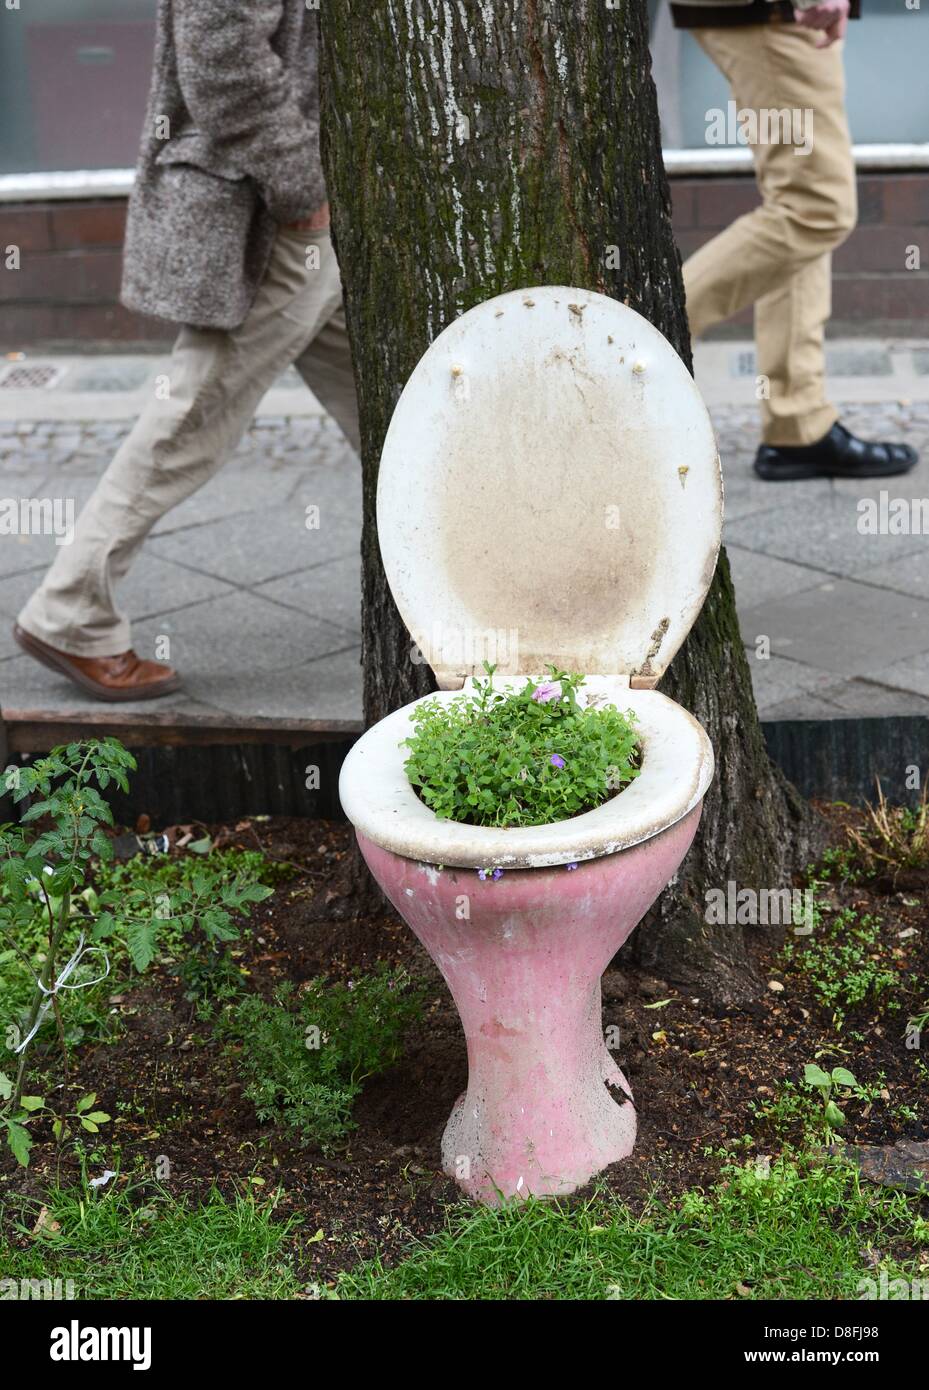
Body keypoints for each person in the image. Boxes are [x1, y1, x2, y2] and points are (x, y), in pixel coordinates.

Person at [14, 0, 358, 701]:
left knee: (393, 407)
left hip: (309, 211)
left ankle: (456, 591)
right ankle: (71, 614)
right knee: (190, 419)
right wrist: (302, 190)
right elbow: (221, 54)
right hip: (272, 217)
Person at [671, 0, 918, 481]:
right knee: (815, 207)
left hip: (775, 12)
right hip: (772, 11)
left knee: (798, 201)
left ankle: (796, 423)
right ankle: (640, 339)